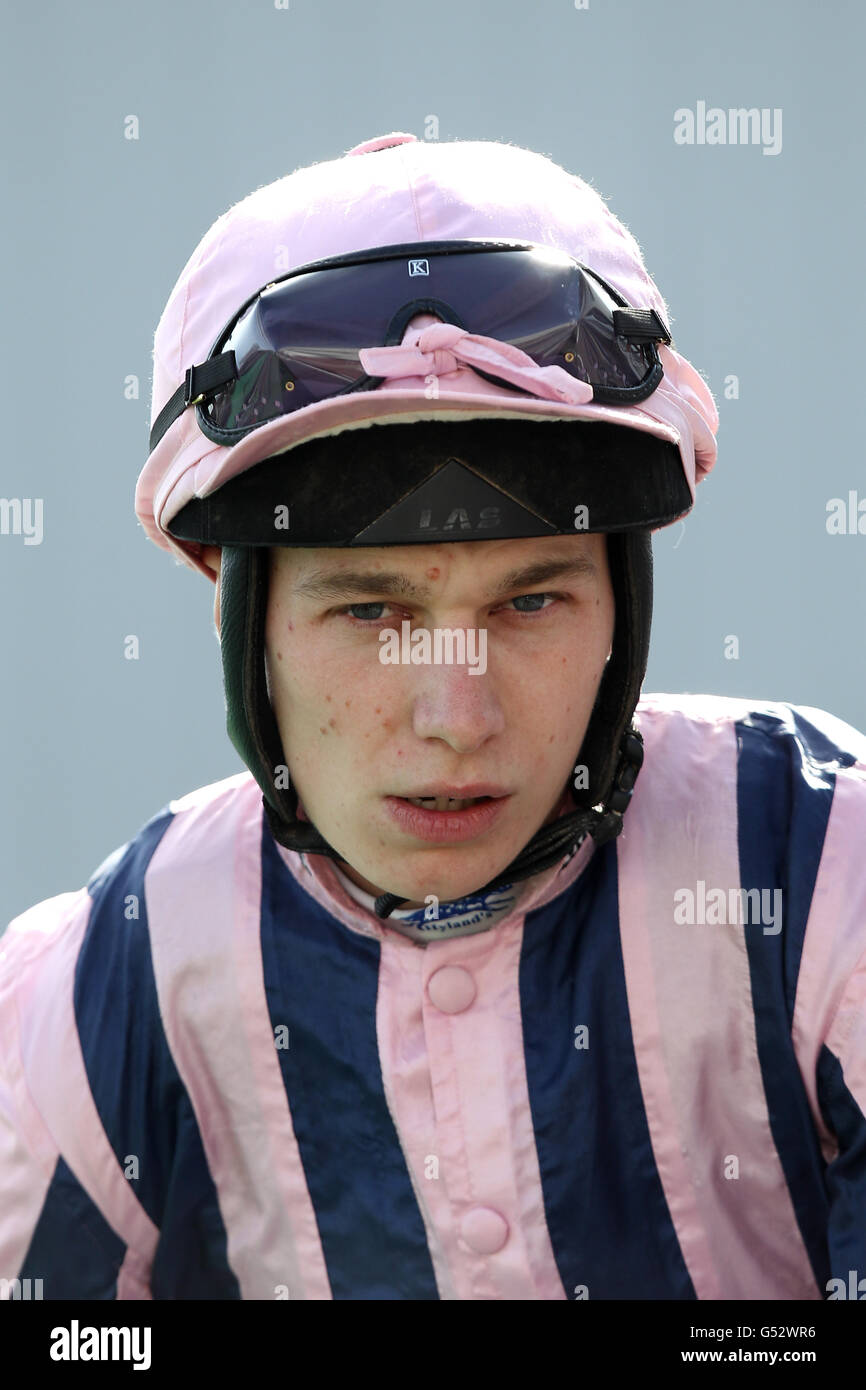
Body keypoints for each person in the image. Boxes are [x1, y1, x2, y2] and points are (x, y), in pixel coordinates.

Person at [2, 130, 864, 1303]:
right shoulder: (99, 987)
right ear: (232, 602)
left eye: (531, 598)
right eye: (369, 610)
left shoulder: (826, 869)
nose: (456, 716)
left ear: (623, 604)